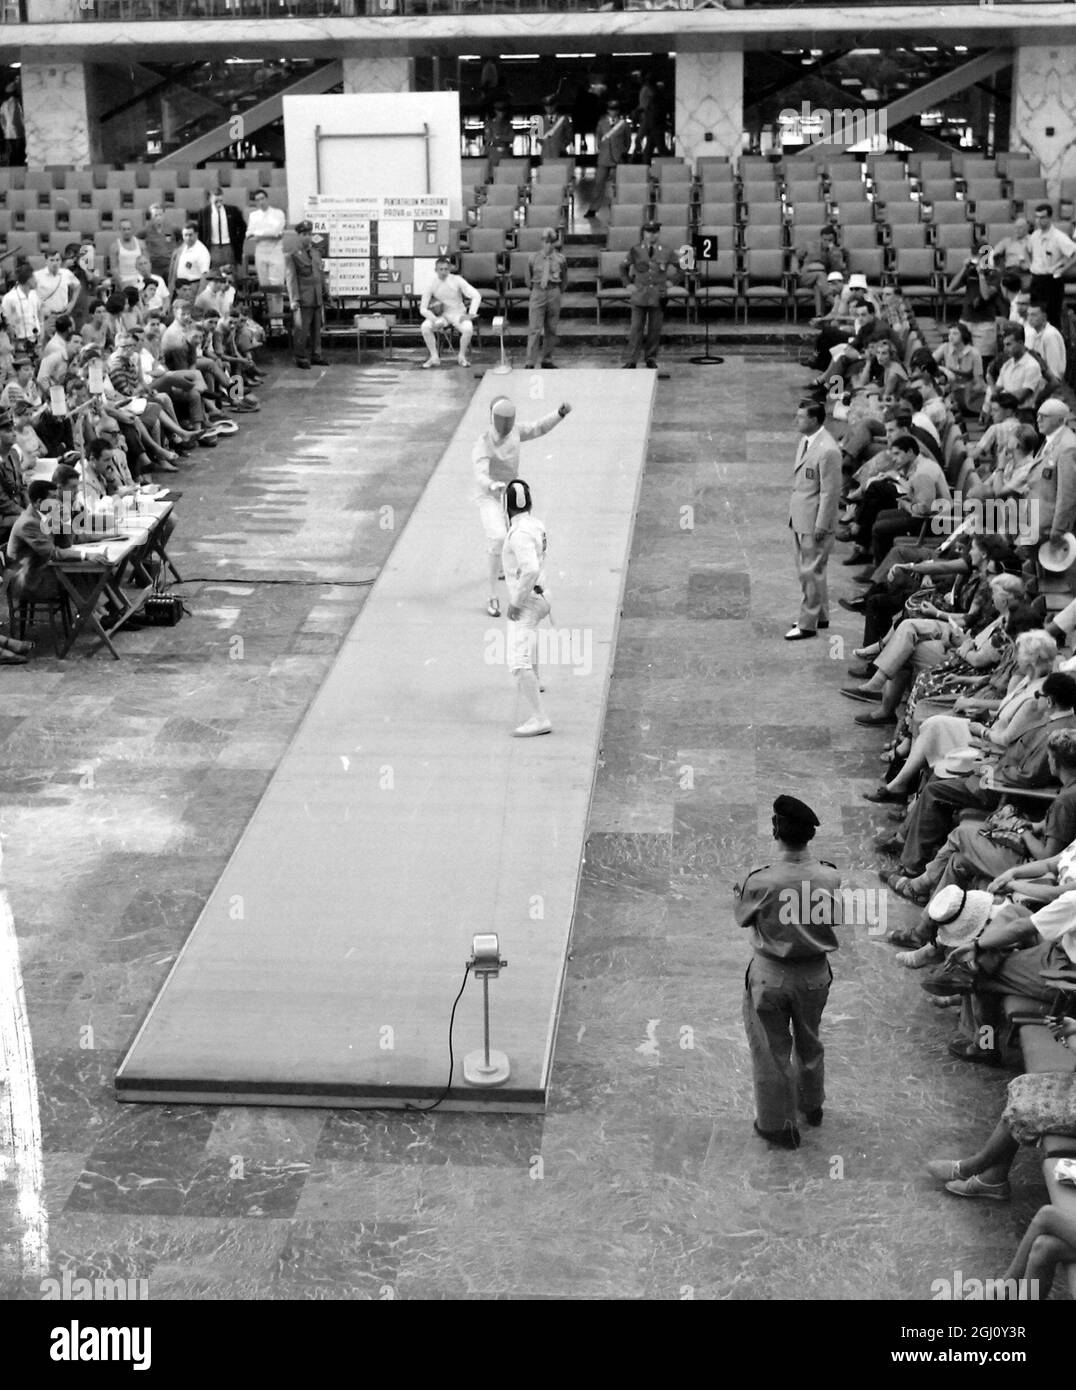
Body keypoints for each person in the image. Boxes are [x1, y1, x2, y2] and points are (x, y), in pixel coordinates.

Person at [734, 794, 842, 1150]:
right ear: (810, 835)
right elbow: (834, 918)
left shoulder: (761, 881)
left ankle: (778, 1124)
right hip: (814, 975)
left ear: (776, 830)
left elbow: (742, 917)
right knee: (810, 1040)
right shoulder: (829, 876)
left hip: (772, 975)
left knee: (770, 1049)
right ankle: (812, 1106)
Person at [472, 395, 571, 617]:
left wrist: (559, 414)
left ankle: (504, 570)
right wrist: (491, 484)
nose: (506, 427)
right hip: (489, 495)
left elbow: (538, 428)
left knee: (512, 538)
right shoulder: (483, 441)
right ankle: (492, 596)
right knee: (498, 537)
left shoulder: (516, 431)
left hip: (511, 494)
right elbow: (479, 473)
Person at [786, 399, 841, 642]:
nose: (796, 420)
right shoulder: (806, 441)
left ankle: (807, 623)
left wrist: (821, 524)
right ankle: (821, 615)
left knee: (809, 572)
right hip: (802, 514)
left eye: (801, 417)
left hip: (814, 520)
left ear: (815, 420)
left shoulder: (828, 450)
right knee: (813, 569)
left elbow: (830, 492)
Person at [502, 477, 552, 738]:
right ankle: (538, 680)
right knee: (529, 637)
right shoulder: (535, 524)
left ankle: (539, 718)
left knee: (517, 662)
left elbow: (530, 568)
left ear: (507, 507)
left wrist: (516, 602)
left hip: (529, 600)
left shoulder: (519, 533)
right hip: (542, 596)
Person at [620, 221, 680, 371]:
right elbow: (623, 267)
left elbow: (682, 267)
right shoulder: (635, 250)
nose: (651, 235)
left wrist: (671, 282)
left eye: (654, 232)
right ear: (644, 233)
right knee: (635, 329)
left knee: (655, 329)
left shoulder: (666, 250)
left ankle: (651, 358)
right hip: (640, 294)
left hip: (658, 295)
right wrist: (628, 284)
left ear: (658, 233)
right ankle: (631, 360)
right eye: (648, 232)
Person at [419, 256, 481, 370]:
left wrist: (470, 314)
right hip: (441, 316)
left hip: (458, 314)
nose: (443, 272)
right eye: (440, 269)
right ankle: (434, 357)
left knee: (468, 329)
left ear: (449, 269)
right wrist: (434, 319)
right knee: (425, 327)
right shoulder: (431, 284)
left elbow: (476, 295)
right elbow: (423, 308)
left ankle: (461, 356)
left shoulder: (457, 280)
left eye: (446, 269)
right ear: (435, 270)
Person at [285, 220, 330, 372]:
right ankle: (300, 356)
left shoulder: (316, 253)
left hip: (317, 296)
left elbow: (320, 274)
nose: (308, 237)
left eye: (310, 234)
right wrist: (294, 300)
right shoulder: (292, 254)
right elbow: (291, 278)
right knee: (302, 330)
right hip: (303, 298)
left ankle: (316, 355)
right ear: (298, 236)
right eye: (304, 234)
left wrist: (326, 293)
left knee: (317, 329)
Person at [525, 228, 567, 370]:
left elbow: (564, 280)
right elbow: (527, 279)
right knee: (534, 329)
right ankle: (530, 362)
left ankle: (547, 359)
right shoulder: (533, 258)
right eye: (545, 242)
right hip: (538, 292)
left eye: (551, 242)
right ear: (542, 242)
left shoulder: (560, 259)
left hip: (553, 292)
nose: (548, 245)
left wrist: (556, 291)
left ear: (555, 243)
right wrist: (536, 291)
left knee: (551, 329)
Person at [1028, 202, 1076, 327]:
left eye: (1042, 217)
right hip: (1036, 279)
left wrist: (1062, 269)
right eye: (1037, 217)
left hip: (1051, 280)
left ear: (1050, 218)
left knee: (1051, 318)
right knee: (1034, 317)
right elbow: (1028, 251)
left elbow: (1074, 253)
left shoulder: (1059, 237)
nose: (1039, 221)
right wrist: (1030, 265)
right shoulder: (1034, 235)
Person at [584, 98, 630, 218]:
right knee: (598, 184)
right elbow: (598, 137)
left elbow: (627, 141)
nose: (613, 112)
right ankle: (593, 208)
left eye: (615, 110)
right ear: (608, 111)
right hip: (604, 158)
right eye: (611, 109)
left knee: (617, 185)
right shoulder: (602, 123)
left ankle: (616, 206)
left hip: (617, 158)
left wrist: (622, 152)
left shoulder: (623, 124)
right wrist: (602, 149)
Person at [246, 187, 286, 319]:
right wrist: (265, 233)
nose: (261, 202)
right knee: (266, 288)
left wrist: (259, 233)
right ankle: (271, 321)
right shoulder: (253, 216)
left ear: (267, 199)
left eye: (262, 198)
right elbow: (249, 235)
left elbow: (276, 233)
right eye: (257, 200)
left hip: (276, 252)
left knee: (277, 288)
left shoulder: (278, 213)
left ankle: (278, 321)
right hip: (261, 252)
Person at [196, 187, 247, 272]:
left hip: (229, 247)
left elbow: (243, 227)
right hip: (212, 247)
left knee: (230, 275)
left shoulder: (233, 211)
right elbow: (200, 232)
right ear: (210, 199)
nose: (218, 202)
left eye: (220, 199)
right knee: (213, 275)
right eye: (216, 199)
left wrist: (238, 241)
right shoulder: (203, 212)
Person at [1, 263, 41, 354]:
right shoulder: (9, 298)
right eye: (33, 278)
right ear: (27, 280)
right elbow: (6, 322)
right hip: (20, 343)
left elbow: (39, 312)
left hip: (36, 340)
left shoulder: (34, 294)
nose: (36, 280)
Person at [169, 223, 212, 300]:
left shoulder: (202, 251)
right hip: (179, 287)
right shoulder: (182, 247)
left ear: (196, 234)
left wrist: (199, 297)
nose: (188, 238)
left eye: (190, 235)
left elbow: (205, 276)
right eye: (185, 235)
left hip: (192, 288)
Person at [483, 101, 514, 183]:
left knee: (505, 178)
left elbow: (511, 138)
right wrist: (502, 139)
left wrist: (499, 137)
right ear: (496, 111)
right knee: (493, 178)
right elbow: (488, 139)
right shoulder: (490, 124)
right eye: (499, 111)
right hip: (493, 154)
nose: (501, 113)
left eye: (503, 111)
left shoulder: (508, 125)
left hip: (505, 154)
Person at [536, 96, 573, 161]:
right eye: (546, 106)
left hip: (559, 154)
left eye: (551, 105)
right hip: (545, 156)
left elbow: (569, 136)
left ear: (555, 106)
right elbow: (539, 139)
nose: (549, 108)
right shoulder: (541, 120)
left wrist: (561, 146)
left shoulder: (563, 119)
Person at [0, 85, 24, 168]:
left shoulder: (4, 104)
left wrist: (4, 129)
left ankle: (12, 166)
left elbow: (2, 119)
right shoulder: (17, 103)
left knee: (11, 151)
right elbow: (19, 118)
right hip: (17, 131)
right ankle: (16, 166)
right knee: (17, 152)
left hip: (8, 132)